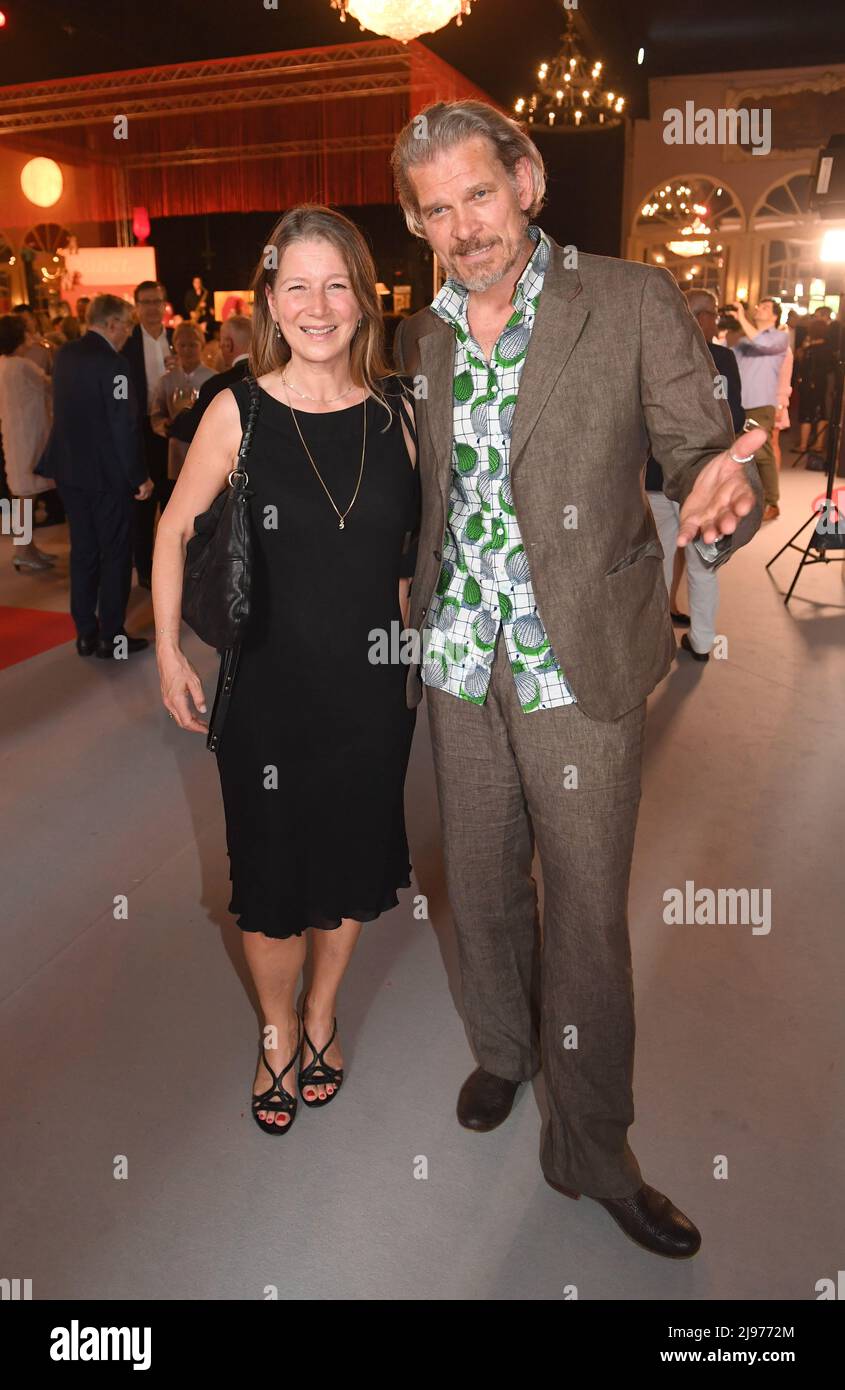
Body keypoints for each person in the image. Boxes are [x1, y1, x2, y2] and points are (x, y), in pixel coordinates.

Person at [390, 99, 764, 1258]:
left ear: (526, 183)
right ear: (419, 224)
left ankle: (591, 1147)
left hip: (577, 665)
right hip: (458, 657)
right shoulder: (424, 337)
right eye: (437, 210)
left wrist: (719, 500)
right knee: (483, 887)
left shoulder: (631, 300)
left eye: (479, 196)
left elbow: (703, 453)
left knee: (586, 918)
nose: (464, 227)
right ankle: (504, 1052)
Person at [152, 206, 421, 1136]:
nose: (317, 306)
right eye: (296, 285)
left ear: (365, 297)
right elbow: (174, 527)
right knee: (269, 879)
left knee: (348, 867)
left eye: (335, 283)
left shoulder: (400, 414)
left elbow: (410, 559)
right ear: (270, 299)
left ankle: (320, 1014)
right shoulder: (239, 409)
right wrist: (165, 653)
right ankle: (275, 1028)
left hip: (370, 694)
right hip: (265, 694)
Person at [33, 294, 153, 657]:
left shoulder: (66, 354)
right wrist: (139, 476)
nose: (129, 333)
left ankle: (85, 632)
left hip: (70, 470)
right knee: (116, 552)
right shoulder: (114, 364)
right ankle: (111, 636)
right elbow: (124, 425)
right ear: (112, 323)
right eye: (127, 326)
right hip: (106, 474)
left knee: (83, 550)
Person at [646, 288, 745, 661]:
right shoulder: (721, 358)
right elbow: (734, 417)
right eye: (715, 314)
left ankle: (656, 643)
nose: (717, 320)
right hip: (703, 479)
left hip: (657, 475)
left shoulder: (655, 354)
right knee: (705, 562)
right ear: (701, 317)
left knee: (660, 560)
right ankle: (703, 641)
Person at [122, 280, 176, 588]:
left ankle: (172, 565)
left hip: (172, 427)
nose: (153, 307)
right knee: (143, 502)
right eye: (147, 302)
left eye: (158, 301)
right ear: (137, 307)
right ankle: (144, 568)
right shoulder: (127, 344)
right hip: (140, 429)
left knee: (172, 499)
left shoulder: (176, 340)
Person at [0, 314, 56, 571]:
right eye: (29, 331)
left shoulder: (5, 364)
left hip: (16, 435)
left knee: (22, 496)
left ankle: (28, 547)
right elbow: (50, 386)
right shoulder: (21, 365)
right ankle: (23, 551)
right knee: (25, 498)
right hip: (28, 436)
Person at [731, 297, 788, 520]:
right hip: (740, 404)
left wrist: (742, 317)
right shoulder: (745, 340)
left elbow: (761, 344)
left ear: (774, 316)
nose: (759, 309)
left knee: (762, 453)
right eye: (759, 306)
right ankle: (748, 499)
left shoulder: (780, 337)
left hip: (761, 405)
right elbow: (728, 359)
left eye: (765, 308)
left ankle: (772, 503)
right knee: (739, 453)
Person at [168, 314, 252, 448]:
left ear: (228, 345)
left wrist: (185, 411)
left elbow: (188, 430)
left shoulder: (216, 385)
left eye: (221, 344)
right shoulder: (275, 377)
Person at [149, 321, 216, 488]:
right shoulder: (166, 380)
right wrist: (164, 425)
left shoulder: (213, 379)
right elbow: (156, 414)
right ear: (175, 346)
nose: (187, 350)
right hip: (175, 452)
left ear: (202, 345)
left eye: (192, 345)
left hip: (206, 450)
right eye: (182, 345)